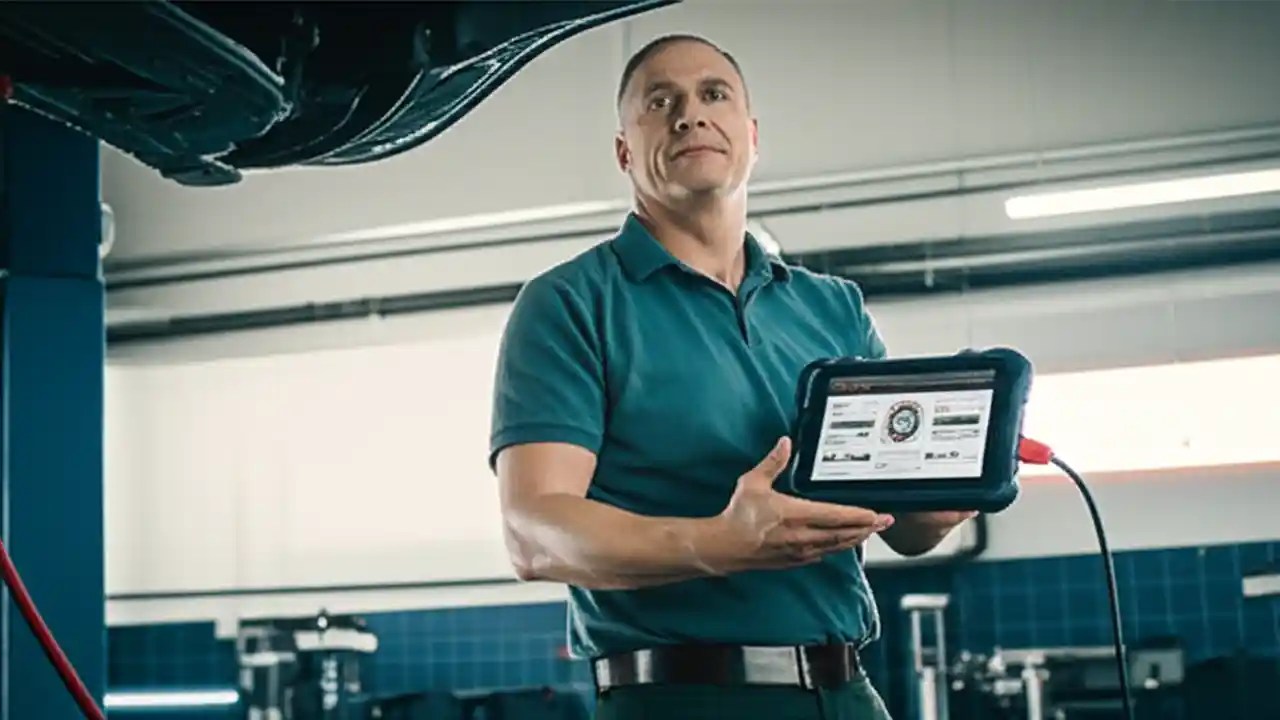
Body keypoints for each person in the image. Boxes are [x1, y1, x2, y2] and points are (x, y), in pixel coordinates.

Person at [488, 34, 974, 720]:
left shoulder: (833, 307)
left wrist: (946, 490)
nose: (690, 114)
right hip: (678, 698)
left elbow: (904, 527)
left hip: (847, 692)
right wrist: (723, 544)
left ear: (751, 136)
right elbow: (534, 533)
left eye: (713, 95)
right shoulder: (570, 303)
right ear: (625, 151)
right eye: (661, 103)